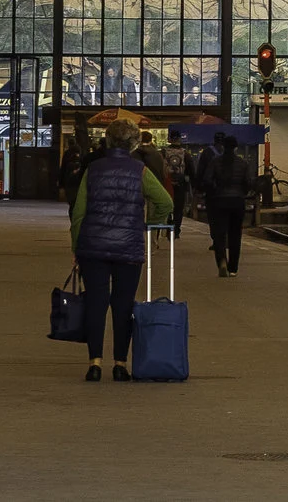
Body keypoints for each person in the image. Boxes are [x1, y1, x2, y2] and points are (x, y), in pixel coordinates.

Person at [68, 123, 171, 382]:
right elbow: (165, 202)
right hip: (128, 248)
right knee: (123, 305)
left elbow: (78, 214)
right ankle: (120, 364)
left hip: (93, 247)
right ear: (134, 143)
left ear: (108, 141)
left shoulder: (92, 170)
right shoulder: (141, 171)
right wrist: (148, 226)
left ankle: (94, 364)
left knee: (95, 304)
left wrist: (76, 248)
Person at [197, 133, 249, 277]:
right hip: (237, 202)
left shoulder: (215, 162)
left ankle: (221, 261)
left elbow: (207, 180)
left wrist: (213, 192)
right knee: (235, 235)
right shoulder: (242, 163)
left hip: (219, 201)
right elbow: (248, 183)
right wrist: (242, 193)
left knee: (219, 234)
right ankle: (233, 268)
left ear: (223, 146)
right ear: (236, 147)